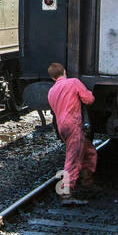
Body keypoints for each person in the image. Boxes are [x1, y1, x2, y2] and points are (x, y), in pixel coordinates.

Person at [47, 62, 96, 206]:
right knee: (73, 160)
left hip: (62, 127)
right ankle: (65, 193)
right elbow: (89, 99)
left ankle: (87, 182)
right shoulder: (73, 83)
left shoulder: (51, 91)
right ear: (64, 72)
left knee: (89, 151)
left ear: (52, 78)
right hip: (74, 125)